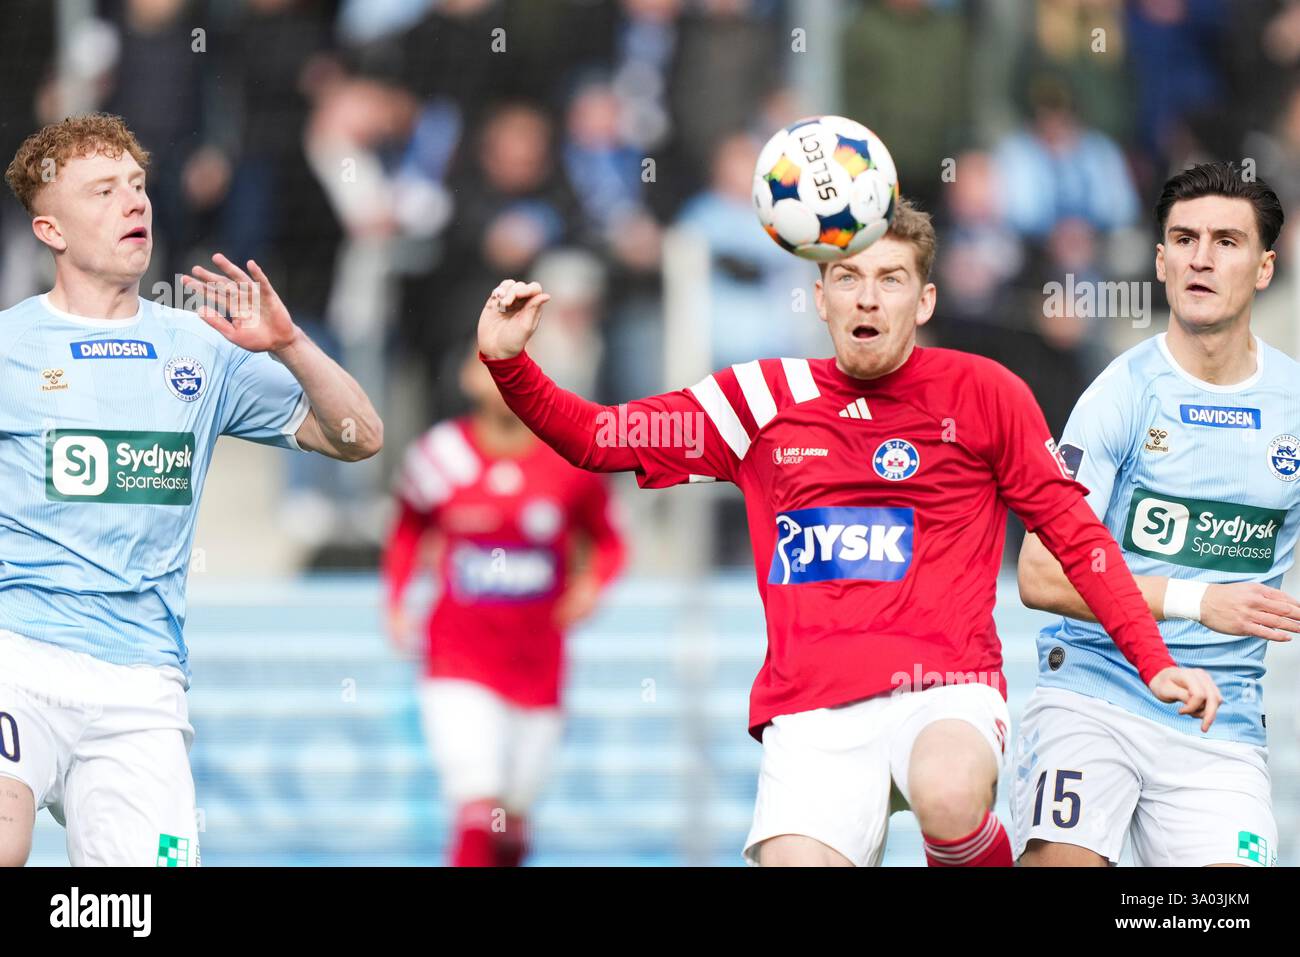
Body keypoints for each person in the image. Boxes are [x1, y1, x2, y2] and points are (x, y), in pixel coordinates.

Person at [476, 198, 1222, 867]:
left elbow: (1073, 530)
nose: (869, 297)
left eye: (891, 278)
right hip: (810, 711)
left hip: (944, 689)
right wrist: (511, 365)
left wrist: (1152, 659)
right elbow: (603, 437)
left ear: (924, 298)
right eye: (848, 278)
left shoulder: (984, 392)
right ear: (819, 296)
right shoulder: (760, 399)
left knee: (949, 790)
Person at [0, 113, 382, 867]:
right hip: (20, 651)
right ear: (50, 229)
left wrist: (293, 345)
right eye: (103, 191)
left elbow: (358, 436)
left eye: (137, 186)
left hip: (143, 677)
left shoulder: (201, 345)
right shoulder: (9, 346)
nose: (134, 203)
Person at [1014, 162, 1298, 867]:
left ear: (1264, 268)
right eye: (1185, 238)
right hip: (1095, 694)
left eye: (1227, 241)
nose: (1202, 256)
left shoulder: (1294, 402)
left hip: (1221, 718)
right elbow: (1040, 573)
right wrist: (1202, 601)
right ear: (1162, 261)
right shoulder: (1119, 393)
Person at [383, 347, 625, 866]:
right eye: (487, 369)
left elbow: (609, 540)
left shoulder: (569, 458)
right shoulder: (439, 455)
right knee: (478, 802)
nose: (499, 382)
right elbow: (406, 529)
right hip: (457, 662)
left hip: (539, 667)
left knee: (512, 822)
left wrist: (592, 586)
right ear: (468, 378)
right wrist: (397, 598)